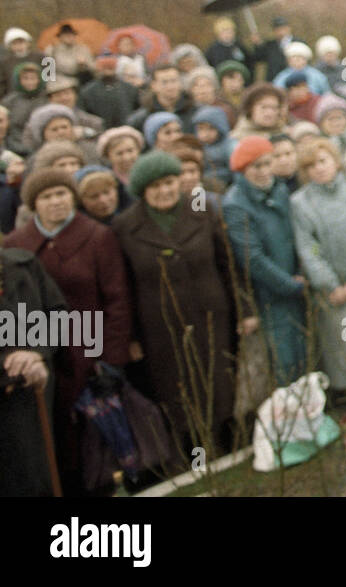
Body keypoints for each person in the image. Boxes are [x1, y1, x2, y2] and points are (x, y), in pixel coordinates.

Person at [6, 168, 132, 494]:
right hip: (42, 357)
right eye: (46, 196)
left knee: (94, 439)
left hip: (86, 349)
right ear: (34, 204)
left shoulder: (96, 236)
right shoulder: (17, 246)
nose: (56, 202)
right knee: (53, 444)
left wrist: (110, 357)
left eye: (61, 194)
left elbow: (117, 299)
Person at [112, 150, 243, 450]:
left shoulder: (201, 209)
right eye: (155, 186)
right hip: (162, 325)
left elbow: (227, 264)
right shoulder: (125, 227)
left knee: (219, 381)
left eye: (170, 181)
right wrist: (131, 336)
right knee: (178, 389)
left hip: (211, 313)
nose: (165, 190)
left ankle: (229, 447)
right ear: (142, 191)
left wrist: (243, 310)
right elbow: (124, 286)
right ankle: (192, 454)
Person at [290, 139, 346, 448]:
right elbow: (308, 248)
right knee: (338, 351)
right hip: (329, 295)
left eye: (324, 161)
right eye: (312, 164)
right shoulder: (301, 203)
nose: (320, 168)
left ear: (336, 161)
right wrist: (329, 283)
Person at [221, 136, 308, 388]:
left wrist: (303, 273)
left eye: (266, 164)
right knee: (284, 362)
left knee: (305, 354)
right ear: (242, 169)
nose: (262, 172)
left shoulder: (280, 190)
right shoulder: (236, 204)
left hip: (297, 285)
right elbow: (252, 258)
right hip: (271, 295)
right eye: (255, 167)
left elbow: (300, 237)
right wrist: (289, 285)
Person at [0, 243, 66, 496]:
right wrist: (12, 363)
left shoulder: (23, 265)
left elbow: (58, 313)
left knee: (40, 478)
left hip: (33, 391)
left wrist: (37, 353)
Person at [128, 62, 196, 135]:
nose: (170, 87)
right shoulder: (141, 119)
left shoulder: (195, 112)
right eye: (164, 82)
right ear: (154, 86)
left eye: (174, 81)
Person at [78, 56, 137, 129]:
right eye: (105, 67)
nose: (108, 70)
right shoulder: (88, 91)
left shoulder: (129, 88)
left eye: (110, 66)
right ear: (99, 68)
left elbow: (136, 111)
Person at [3, 61, 46, 154]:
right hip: (13, 145)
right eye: (25, 78)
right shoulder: (9, 101)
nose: (29, 82)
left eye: (33, 78)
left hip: (41, 145)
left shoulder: (46, 99)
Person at [250, 15, 295, 83]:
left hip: (293, 80)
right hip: (273, 81)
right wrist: (257, 45)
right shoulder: (270, 45)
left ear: (288, 28)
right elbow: (259, 58)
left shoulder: (297, 42)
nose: (280, 32)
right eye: (277, 30)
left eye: (282, 29)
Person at [0, 27, 40, 98]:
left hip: (39, 95)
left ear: (28, 43)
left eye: (21, 42)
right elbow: (2, 84)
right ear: (9, 46)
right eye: (15, 43)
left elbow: (50, 77)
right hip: (14, 97)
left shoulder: (41, 57)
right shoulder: (5, 63)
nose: (19, 46)